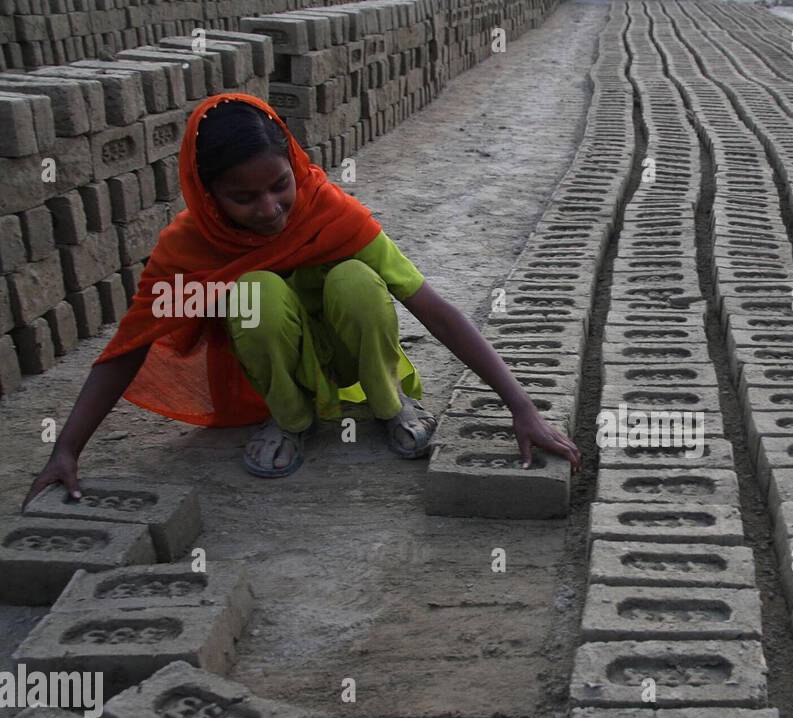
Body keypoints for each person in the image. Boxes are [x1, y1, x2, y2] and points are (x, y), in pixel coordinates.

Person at [24, 92, 579, 505]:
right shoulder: (188, 247)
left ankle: (391, 405)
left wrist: (521, 406)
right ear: (207, 194)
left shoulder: (330, 210)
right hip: (268, 370)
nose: (269, 209)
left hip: (348, 363)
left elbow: (430, 305)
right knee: (255, 293)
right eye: (243, 197)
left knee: (357, 280)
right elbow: (128, 347)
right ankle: (288, 420)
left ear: (294, 164)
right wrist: (66, 449)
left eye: (279, 185)